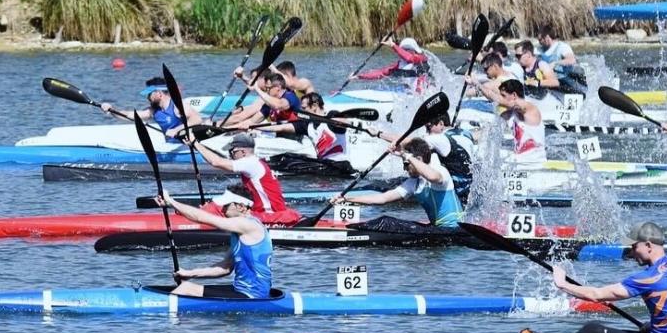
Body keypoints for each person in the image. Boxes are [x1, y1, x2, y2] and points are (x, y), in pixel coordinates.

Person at [553, 221, 667, 333]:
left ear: (648, 245)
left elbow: (596, 295)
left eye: (634, 247)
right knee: (635, 332)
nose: (631, 253)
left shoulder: (649, 277)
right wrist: (653, 326)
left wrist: (562, 284)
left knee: (592, 331)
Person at [157, 189, 273, 298]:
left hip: (252, 296)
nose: (222, 210)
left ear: (241, 207)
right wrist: (190, 274)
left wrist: (171, 202)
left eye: (226, 206)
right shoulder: (240, 232)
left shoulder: (248, 224)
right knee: (186, 286)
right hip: (241, 291)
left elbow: (200, 217)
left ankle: (159, 309)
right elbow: (225, 267)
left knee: (186, 289)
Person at [332, 139, 462, 227]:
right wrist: (347, 199)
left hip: (454, 228)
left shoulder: (441, 171)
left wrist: (407, 156)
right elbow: (382, 198)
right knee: (386, 221)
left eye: (406, 164)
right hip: (437, 228)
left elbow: (433, 177)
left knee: (387, 223)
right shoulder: (414, 183)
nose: (405, 169)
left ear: (418, 159)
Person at [184, 132, 304, 226]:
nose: (230, 156)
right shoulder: (255, 162)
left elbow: (216, 162)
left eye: (232, 152)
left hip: (269, 216)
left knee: (219, 210)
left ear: (243, 152)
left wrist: (195, 143)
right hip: (266, 213)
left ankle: (195, 217)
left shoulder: (250, 163)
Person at [257, 92, 357, 178]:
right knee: (285, 157)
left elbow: (345, 122)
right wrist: (253, 127)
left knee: (292, 163)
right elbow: (281, 127)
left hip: (340, 166)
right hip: (325, 165)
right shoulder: (307, 125)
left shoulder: (332, 115)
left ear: (314, 106)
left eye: (304, 108)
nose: (303, 111)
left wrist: (334, 121)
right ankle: (261, 166)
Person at [99, 75, 203, 140]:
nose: (147, 97)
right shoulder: (153, 111)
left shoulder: (178, 106)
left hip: (187, 146)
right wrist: (112, 110)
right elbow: (130, 116)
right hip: (170, 147)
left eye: (149, 94)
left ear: (159, 93)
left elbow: (197, 119)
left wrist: (176, 130)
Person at [350, 36, 429, 82]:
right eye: (404, 50)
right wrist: (358, 76)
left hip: (425, 93)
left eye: (408, 50)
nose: (406, 52)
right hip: (410, 94)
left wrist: (392, 45)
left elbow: (409, 58)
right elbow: (380, 73)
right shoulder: (399, 65)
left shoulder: (422, 58)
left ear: (415, 50)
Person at [537, 27, 586, 94]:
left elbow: (572, 60)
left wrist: (555, 63)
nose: (539, 43)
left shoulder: (562, 47)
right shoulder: (538, 50)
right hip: (548, 80)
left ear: (547, 37)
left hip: (564, 78)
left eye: (540, 40)